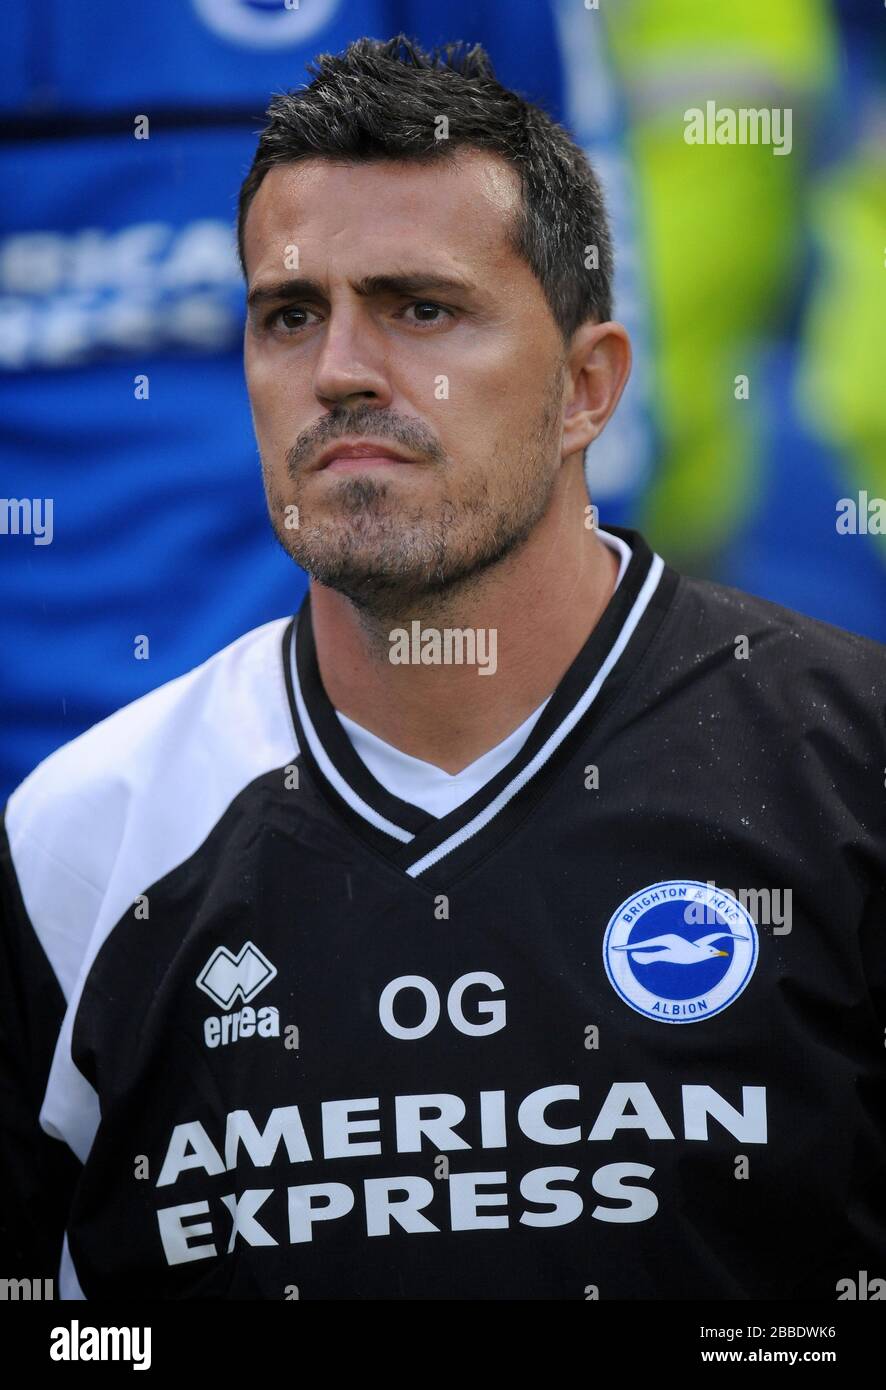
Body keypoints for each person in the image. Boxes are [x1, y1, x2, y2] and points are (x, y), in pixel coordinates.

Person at [1, 34, 884, 1301]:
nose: (342, 373)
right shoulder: (79, 842)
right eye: (289, 316)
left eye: (422, 308)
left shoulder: (851, 772)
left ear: (589, 388)